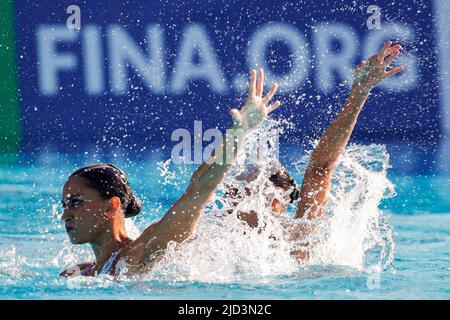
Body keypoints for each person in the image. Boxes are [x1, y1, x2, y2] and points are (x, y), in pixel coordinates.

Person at [59, 69, 283, 277]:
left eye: (76, 202)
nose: (65, 215)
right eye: (65, 205)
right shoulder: (78, 273)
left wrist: (240, 131)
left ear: (112, 205)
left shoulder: (139, 254)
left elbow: (198, 191)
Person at [225, 41, 404, 259]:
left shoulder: (299, 238)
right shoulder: (212, 240)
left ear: (277, 199)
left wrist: (360, 92)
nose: (235, 190)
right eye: (235, 189)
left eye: (246, 186)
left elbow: (322, 167)